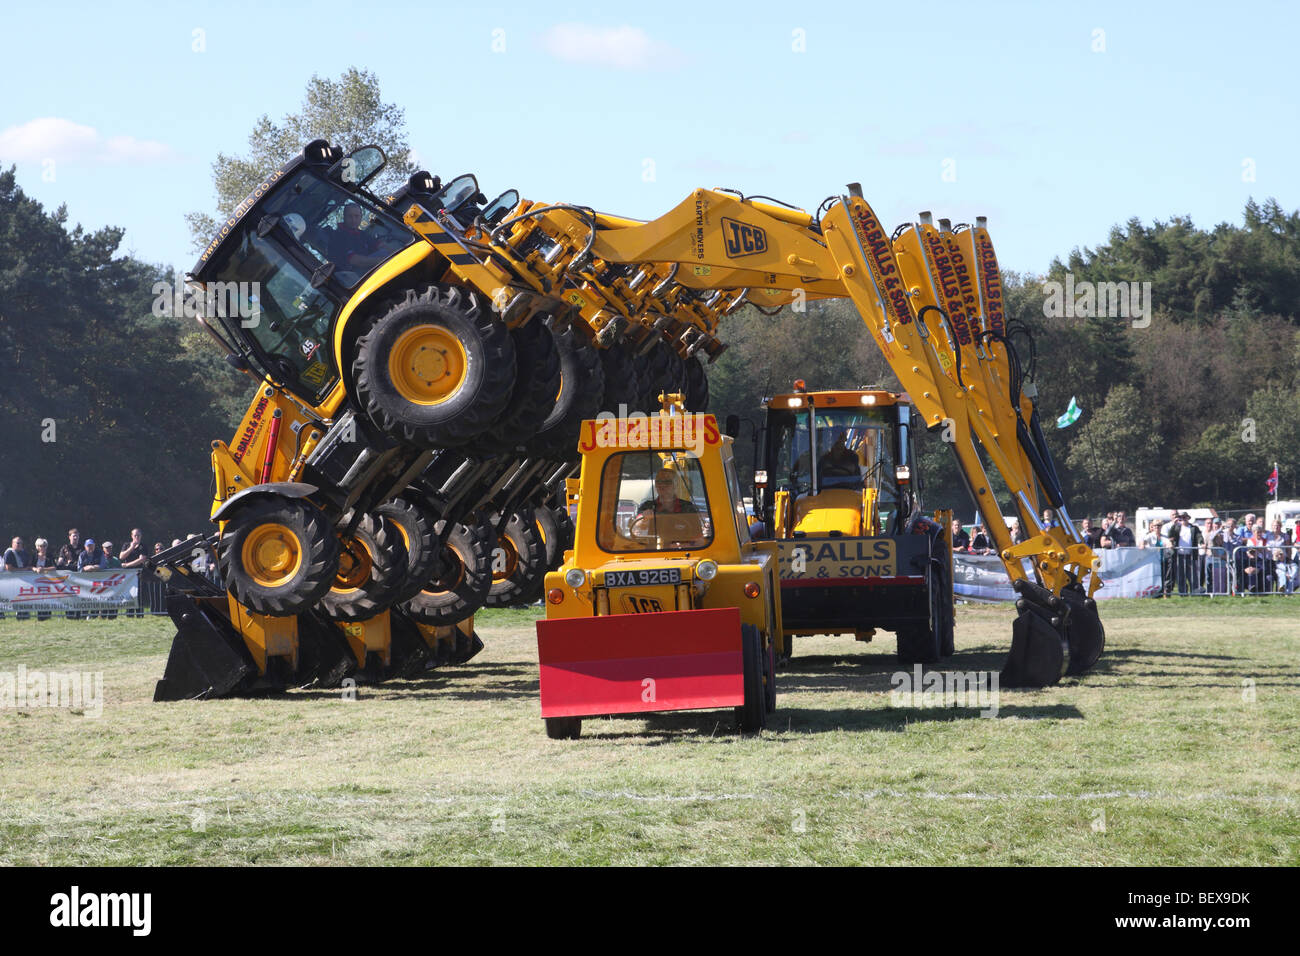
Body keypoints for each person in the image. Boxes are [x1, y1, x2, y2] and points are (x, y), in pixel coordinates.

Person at [1165, 512, 1202, 595]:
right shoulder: (1177, 527)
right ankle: (1183, 593)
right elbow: (1170, 535)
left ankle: (1195, 593)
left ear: (1188, 518)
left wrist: (1202, 543)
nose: (1183, 519)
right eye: (1181, 518)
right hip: (1179, 556)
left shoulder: (1193, 528)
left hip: (1190, 556)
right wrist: (1173, 525)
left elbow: (1199, 536)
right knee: (1180, 576)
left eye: (1185, 517)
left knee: (1192, 576)